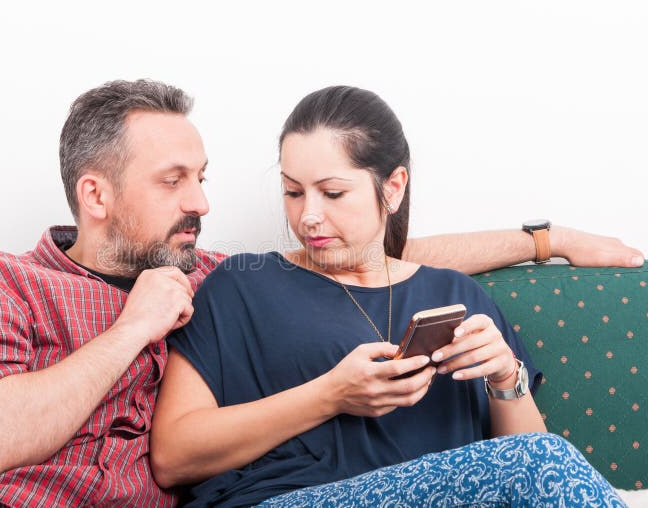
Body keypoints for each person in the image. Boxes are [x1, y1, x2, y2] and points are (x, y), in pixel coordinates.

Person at [0, 80, 641, 507]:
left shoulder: (217, 270)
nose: (201, 201)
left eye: (203, 179)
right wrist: (134, 326)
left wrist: (549, 240)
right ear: (96, 196)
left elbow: (375, 252)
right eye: (174, 181)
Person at [150, 86, 628, 507]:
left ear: (392, 188)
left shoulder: (456, 293)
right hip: (285, 497)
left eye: (332, 193)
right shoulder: (242, 285)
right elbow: (172, 456)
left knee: (539, 460)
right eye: (293, 192)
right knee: (537, 461)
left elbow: (537, 482)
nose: (308, 216)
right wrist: (332, 395)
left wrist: (506, 376)